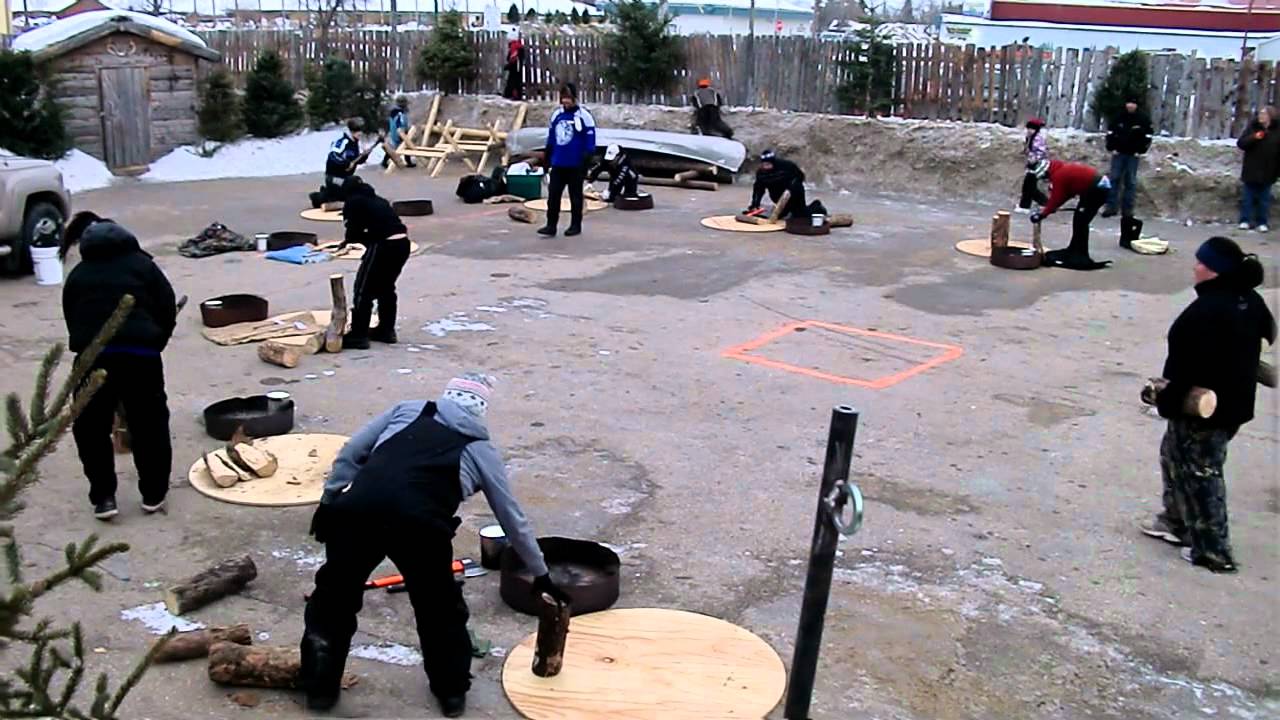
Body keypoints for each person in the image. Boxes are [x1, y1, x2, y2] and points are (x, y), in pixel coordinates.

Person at [300, 374, 569, 717]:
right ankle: (451, 693)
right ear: (480, 412)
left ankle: (320, 689)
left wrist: (328, 502)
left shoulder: (407, 410)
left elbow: (352, 452)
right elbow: (512, 518)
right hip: (419, 528)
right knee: (438, 610)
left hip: (358, 512)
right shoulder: (481, 450)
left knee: (333, 599)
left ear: (446, 397)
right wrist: (541, 573)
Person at [1139, 237, 1275, 574]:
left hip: (1207, 408)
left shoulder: (1207, 311)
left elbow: (1185, 369)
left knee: (1203, 473)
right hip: (1235, 402)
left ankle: (1213, 551)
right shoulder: (1249, 299)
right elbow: (1266, 334)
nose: (1194, 266)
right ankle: (1176, 522)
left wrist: (1167, 402)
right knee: (1173, 454)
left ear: (1214, 270)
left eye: (1200, 262)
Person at [60, 212, 177, 521]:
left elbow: (71, 315)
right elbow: (166, 306)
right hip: (140, 357)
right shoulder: (144, 267)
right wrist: (155, 343)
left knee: (91, 429)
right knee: (149, 425)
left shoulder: (79, 274)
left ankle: (103, 497)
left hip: (92, 359)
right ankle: (153, 494)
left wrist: (88, 345)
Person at [338, 181, 410, 349]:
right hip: (402, 244)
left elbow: (353, 232)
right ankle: (386, 330)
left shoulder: (353, 202)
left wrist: (349, 242)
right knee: (386, 288)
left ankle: (359, 335)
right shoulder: (378, 200)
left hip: (384, 246)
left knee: (363, 290)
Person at [1028, 159, 1112, 271]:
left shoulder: (1059, 175)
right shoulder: (1061, 170)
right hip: (1095, 187)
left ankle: (1080, 256)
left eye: (1044, 177)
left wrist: (1043, 214)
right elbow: (1066, 194)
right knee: (1079, 220)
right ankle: (1075, 250)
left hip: (1097, 189)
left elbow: (1057, 197)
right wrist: (1051, 209)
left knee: (1081, 222)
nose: (1046, 180)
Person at [537, 83, 596, 238]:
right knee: (553, 196)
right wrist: (547, 159)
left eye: (568, 98)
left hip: (575, 164)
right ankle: (551, 225)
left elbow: (590, 143)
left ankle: (575, 225)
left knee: (575, 197)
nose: (565, 101)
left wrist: (585, 163)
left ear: (574, 98)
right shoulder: (557, 115)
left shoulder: (584, 116)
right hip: (558, 164)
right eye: (563, 98)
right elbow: (551, 139)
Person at [1103, 99, 1153, 218]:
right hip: (1118, 153)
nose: (1130, 106)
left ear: (1136, 105)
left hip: (1133, 155)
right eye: (1128, 103)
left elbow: (1148, 136)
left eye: (1133, 103)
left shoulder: (1142, 119)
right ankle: (1111, 207)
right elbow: (1110, 133)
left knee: (1130, 181)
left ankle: (1128, 209)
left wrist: (1140, 150)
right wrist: (1111, 147)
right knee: (1114, 179)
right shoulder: (1119, 117)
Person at [310, 118, 373, 208]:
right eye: (357, 131)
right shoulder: (343, 142)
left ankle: (332, 194)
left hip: (346, 178)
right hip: (333, 178)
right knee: (354, 182)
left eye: (361, 130)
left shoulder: (354, 143)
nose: (360, 133)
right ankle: (320, 197)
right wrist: (346, 163)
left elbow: (356, 160)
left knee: (365, 189)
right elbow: (333, 155)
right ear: (351, 131)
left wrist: (365, 155)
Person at [1236, 105, 1279, 233]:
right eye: (1260, 114)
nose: (1261, 116)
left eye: (1264, 114)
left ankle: (1262, 222)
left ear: (1270, 117)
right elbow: (1241, 143)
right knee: (1247, 197)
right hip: (1251, 169)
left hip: (1269, 170)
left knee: (1264, 199)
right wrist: (1254, 137)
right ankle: (1245, 220)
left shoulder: (1277, 131)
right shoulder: (1252, 128)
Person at [749, 150, 824, 219]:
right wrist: (755, 204)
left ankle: (817, 206)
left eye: (768, 164)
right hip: (778, 198)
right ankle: (785, 210)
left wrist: (790, 189)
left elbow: (800, 176)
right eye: (764, 164)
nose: (766, 166)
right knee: (780, 216)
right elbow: (758, 189)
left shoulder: (787, 166)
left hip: (794, 195)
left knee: (800, 215)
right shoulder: (761, 173)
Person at [1017, 117, 1049, 212]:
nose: (1029, 131)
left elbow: (1041, 152)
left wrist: (1033, 159)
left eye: (1031, 129)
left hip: (1038, 165)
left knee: (1028, 186)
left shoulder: (1038, 139)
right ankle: (1046, 203)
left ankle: (1025, 206)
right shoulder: (1030, 137)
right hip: (1032, 165)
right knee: (1030, 187)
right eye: (1028, 129)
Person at [381, 96, 415, 169]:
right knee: (405, 146)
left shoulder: (393, 113)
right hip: (399, 133)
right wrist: (404, 132)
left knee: (393, 148)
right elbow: (401, 124)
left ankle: (384, 162)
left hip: (393, 133)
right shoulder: (400, 114)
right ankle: (408, 162)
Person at [502, 30, 525, 100]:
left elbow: (513, 59)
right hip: (517, 68)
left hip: (515, 68)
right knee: (515, 82)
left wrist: (508, 66)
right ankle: (513, 94)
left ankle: (513, 95)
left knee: (513, 82)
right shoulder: (518, 47)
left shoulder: (515, 47)